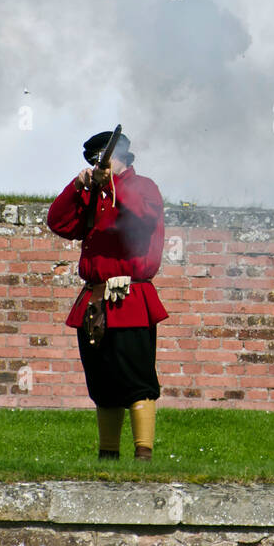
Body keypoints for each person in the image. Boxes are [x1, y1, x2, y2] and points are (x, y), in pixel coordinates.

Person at [46, 131, 168, 461]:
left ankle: (143, 454)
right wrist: (78, 185)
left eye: (103, 160)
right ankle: (108, 456)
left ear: (122, 157)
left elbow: (142, 216)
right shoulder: (94, 193)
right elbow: (57, 222)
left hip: (130, 298)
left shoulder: (142, 188)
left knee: (137, 381)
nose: (99, 167)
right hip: (95, 298)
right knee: (103, 385)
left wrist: (111, 183)